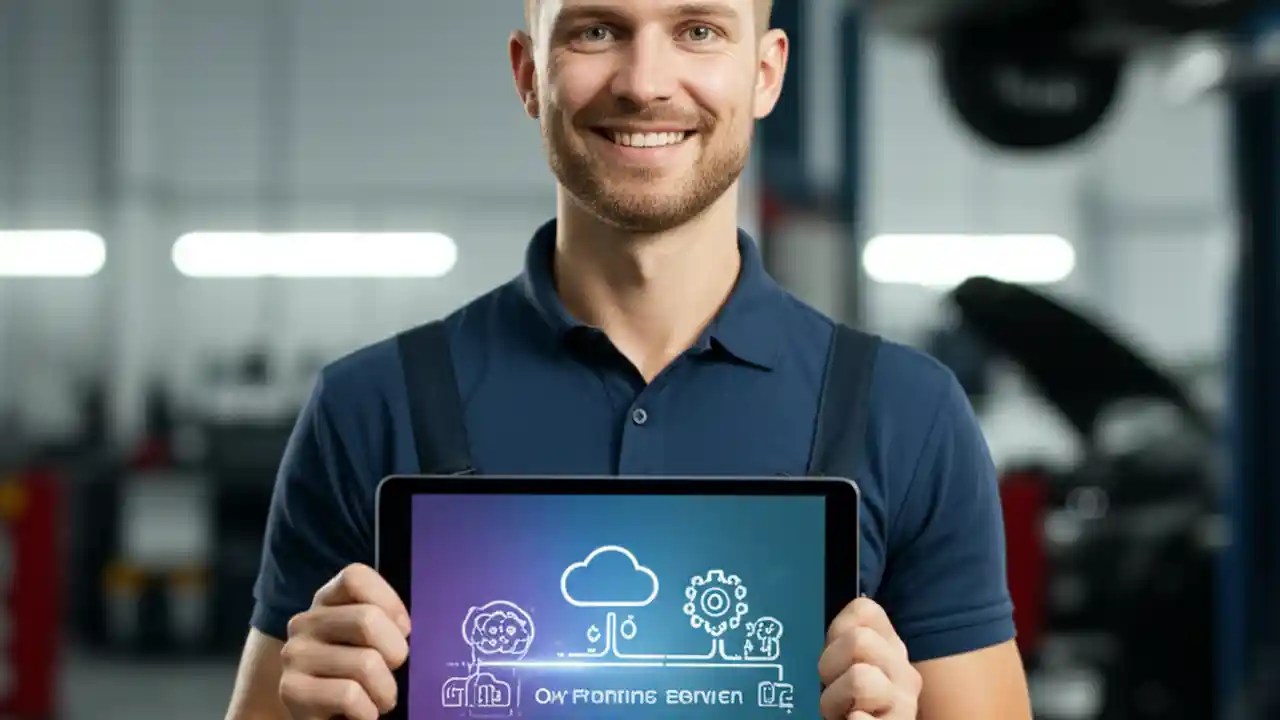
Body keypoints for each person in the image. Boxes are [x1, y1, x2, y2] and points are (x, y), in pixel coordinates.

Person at [225, 0, 1033, 718]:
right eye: (597, 30)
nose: (646, 82)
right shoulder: (369, 405)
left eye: (698, 30)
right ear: (528, 73)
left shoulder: (908, 412)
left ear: (765, 71)